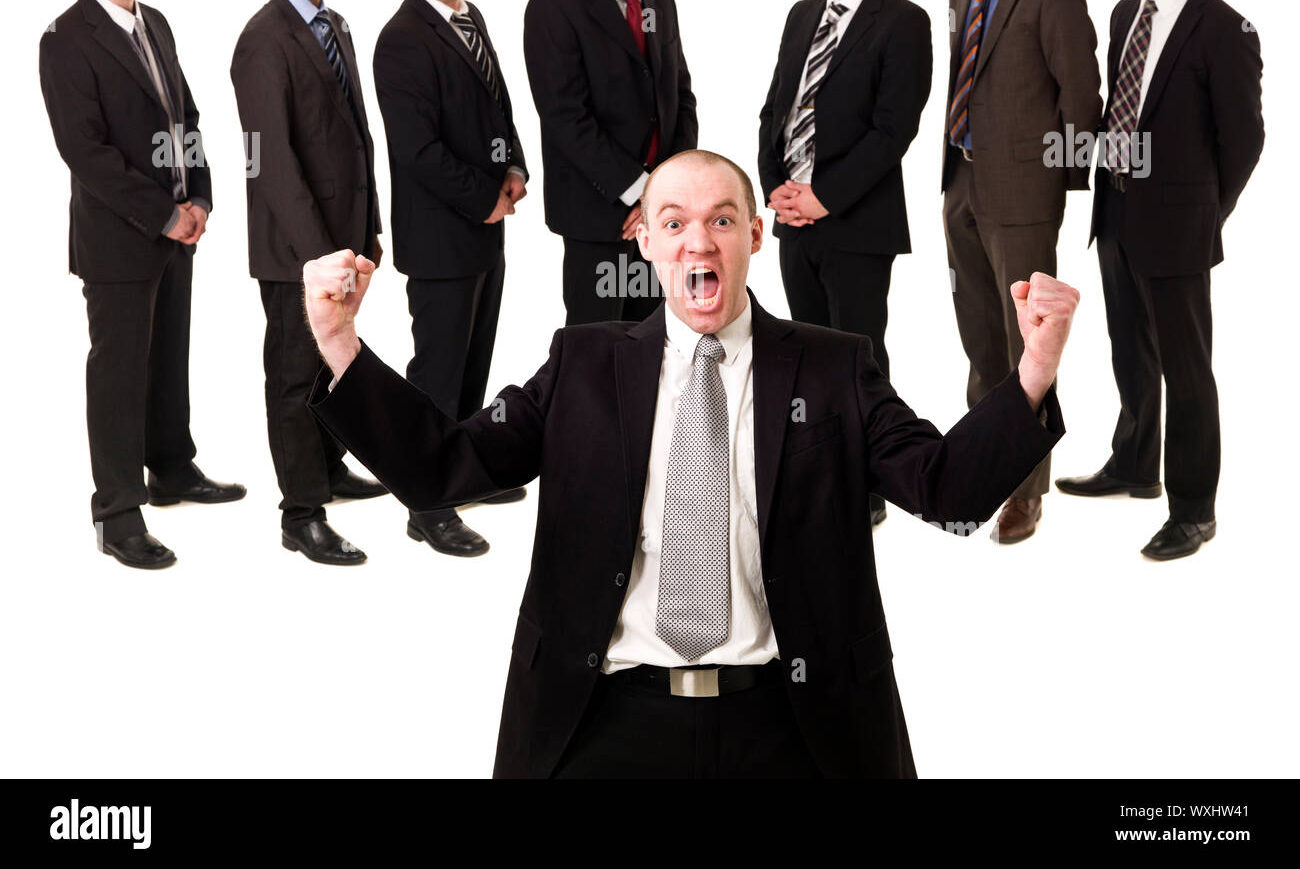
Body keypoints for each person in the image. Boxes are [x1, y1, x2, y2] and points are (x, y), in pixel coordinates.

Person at [302, 149, 1080, 778]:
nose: (699, 242)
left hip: (792, 725)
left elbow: (948, 492)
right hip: (602, 722)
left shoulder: (832, 367)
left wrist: (1035, 369)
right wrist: (340, 343)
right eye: (674, 223)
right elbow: (447, 468)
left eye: (722, 220)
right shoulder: (581, 364)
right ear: (643, 241)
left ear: (755, 236)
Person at [1055, 0, 1264, 561]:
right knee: (1130, 352)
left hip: (1178, 224)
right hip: (1116, 210)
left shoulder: (1225, 29)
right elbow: (1124, 105)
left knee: (1187, 368)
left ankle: (1195, 509)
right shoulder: (1126, 12)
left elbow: (1244, 142)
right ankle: (1134, 466)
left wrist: (1206, 212)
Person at [39, 0, 244, 570]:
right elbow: (85, 150)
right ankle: (117, 511)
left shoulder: (154, 22)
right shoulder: (66, 38)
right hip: (121, 235)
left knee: (168, 356)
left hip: (178, 228)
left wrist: (203, 196)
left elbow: (184, 113)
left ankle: (172, 468)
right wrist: (163, 211)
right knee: (120, 370)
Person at [941, 0, 1102, 544]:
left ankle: (1028, 492)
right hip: (963, 180)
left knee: (1024, 346)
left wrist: (1056, 187)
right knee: (979, 339)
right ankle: (986, 466)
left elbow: (1081, 94)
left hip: (1024, 193)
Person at [758, 0, 932, 528]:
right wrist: (776, 188)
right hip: (792, 220)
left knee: (859, 356)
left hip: (856, 223)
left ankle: (869, 482)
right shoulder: (802, 14)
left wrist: (824, 197)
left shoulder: (902, 21)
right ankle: (819, 468)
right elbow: (776, 108)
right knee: (806, 356)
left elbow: (894, 130)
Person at [371, 0, 530, 558]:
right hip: (442, 233)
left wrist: (514, 165)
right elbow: (416, 149)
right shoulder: (401, 39)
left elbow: (496, 102)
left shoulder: (471, 17)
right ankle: (426, 502)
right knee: (436, 371)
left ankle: (461, 467)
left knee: (472, 362)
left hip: (485, 228)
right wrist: (482, 198)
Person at [230, 0, 386, 567]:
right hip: (298, 250)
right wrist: (319, 253)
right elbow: (268, 159)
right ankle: (301, 514)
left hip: (344, 238)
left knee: (331, 364)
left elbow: (355, 135)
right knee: (295, 376)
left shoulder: (335, 26)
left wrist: (369, 228)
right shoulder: (264, 40)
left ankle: (327, 466)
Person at [523, 0, 697, 325]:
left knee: (656, 351)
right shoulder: (554, 5)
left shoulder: (661, 1)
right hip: (596, 218)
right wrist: (641, 191)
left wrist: (665, 193)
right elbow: (565, 117)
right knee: (593, 358)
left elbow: (681, 98)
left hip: (661, 221)